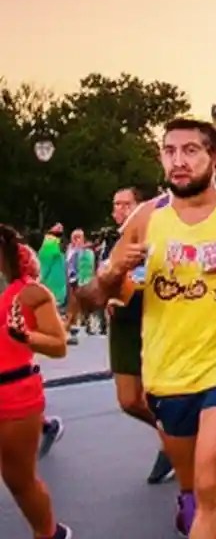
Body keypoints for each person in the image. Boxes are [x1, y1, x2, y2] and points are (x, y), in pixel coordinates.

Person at [85, 117, 216, 539]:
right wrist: (114, 272)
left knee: (207, 485)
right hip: (168, 370)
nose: (178, 161)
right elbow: (102, 293)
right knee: (198, 485)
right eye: (170, 151)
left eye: (190, 151)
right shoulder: (146, 219)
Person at [74, 186, 174, 483]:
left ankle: (178, 444)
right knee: (129, 400)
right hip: (122, 322)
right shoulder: (111, 243)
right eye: (116, 205)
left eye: (126, 204)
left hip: (156, 318)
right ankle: (172, 436)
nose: (120, 210)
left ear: (141, 206)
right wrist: (108, 280)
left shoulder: (162, 235)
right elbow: (92, 291)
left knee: (163, 393)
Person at [0, 225, 72, 539]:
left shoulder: (29, 292)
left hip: (14, 394)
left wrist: (26, 336)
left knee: (18, 480)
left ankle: (49, 533)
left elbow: (58, 345)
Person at [37, 226, 71, 346]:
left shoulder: (46, 249)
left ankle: (57, 334)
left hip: (50, 285)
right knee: (57, 310)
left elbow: (43, 269)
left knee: (52, 310)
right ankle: (61, 334)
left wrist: (38, 281)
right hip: (59, 285)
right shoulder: (58, 251)